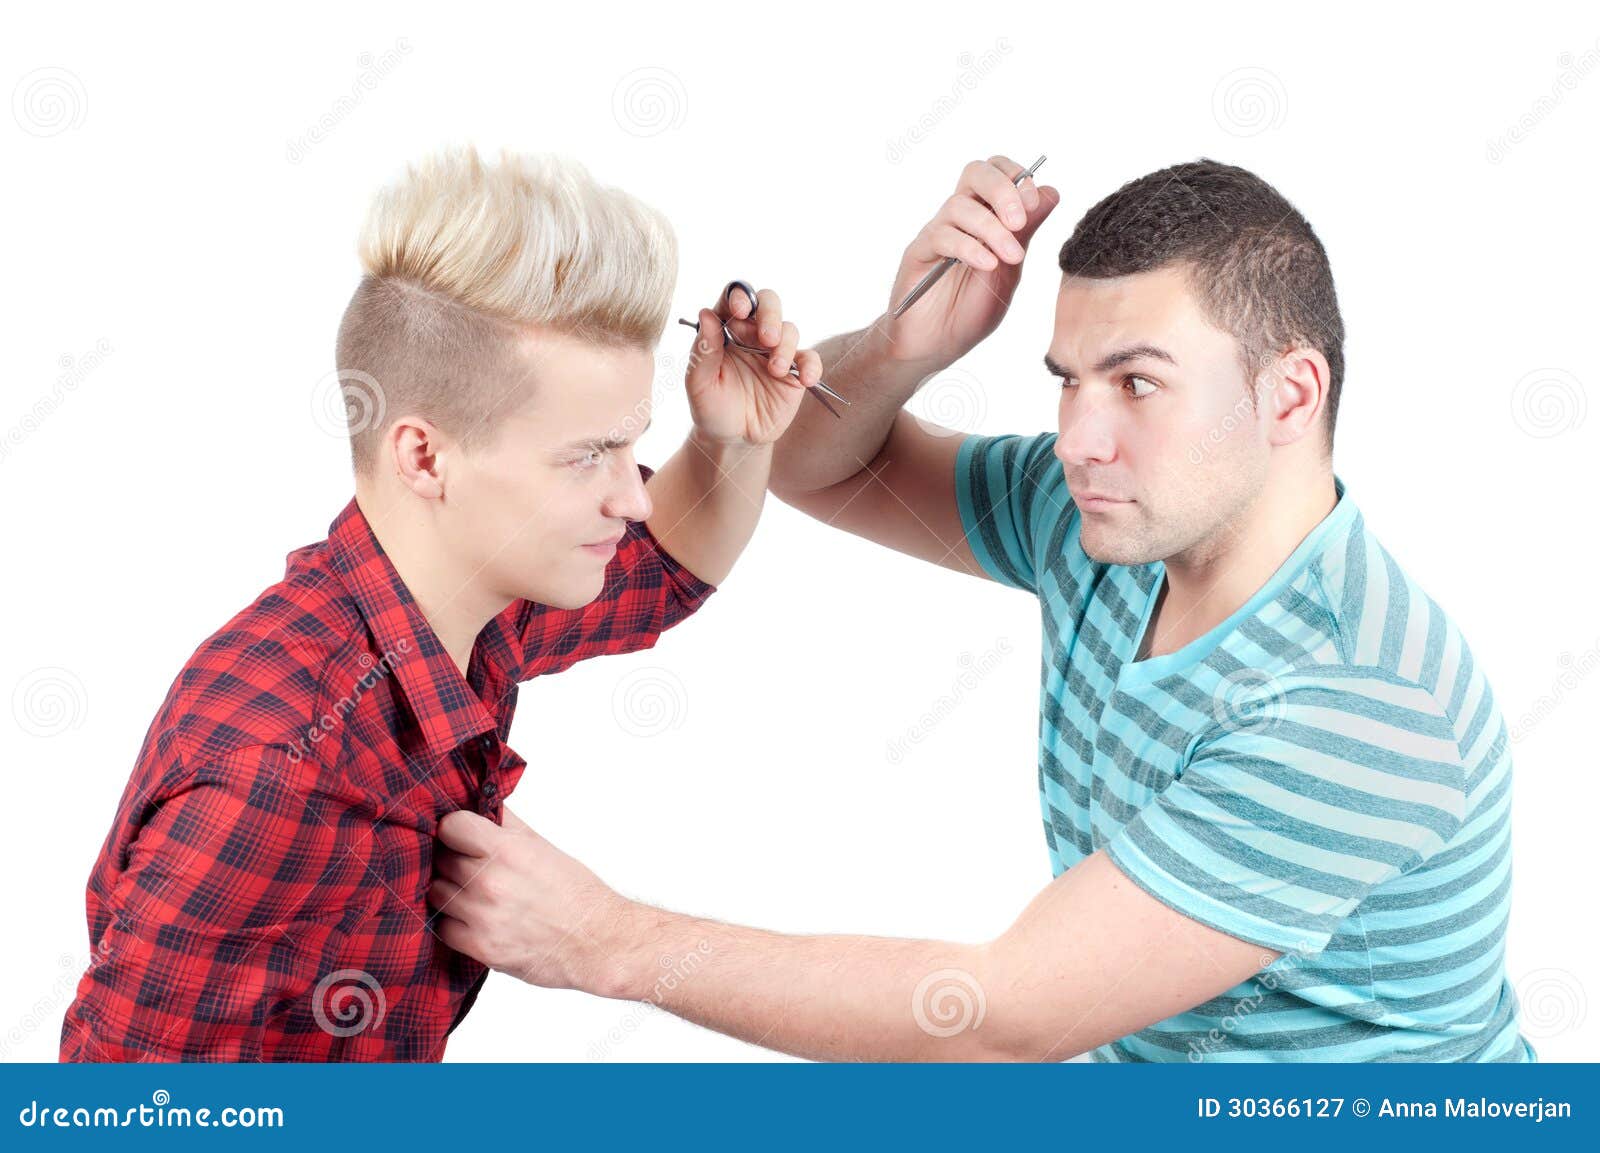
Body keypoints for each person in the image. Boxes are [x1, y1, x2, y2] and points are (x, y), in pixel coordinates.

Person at [431, 156, 1533, 1063]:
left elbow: (1006, 1018)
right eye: (1069, 378)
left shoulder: (1356, 702)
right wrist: (906, 345)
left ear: (1290, 394)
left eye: (1137, 383)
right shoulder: (1109, 518)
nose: (1079, 437)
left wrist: (607, 943)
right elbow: (812, 464)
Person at [59, 145, 820, 1061]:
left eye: (630, 446)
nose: (634, 496)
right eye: (588, 456)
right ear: (423, 456)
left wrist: (734, 439)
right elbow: (118, 1116)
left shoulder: (469, 603)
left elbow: (662, 570)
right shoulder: (274, 772)